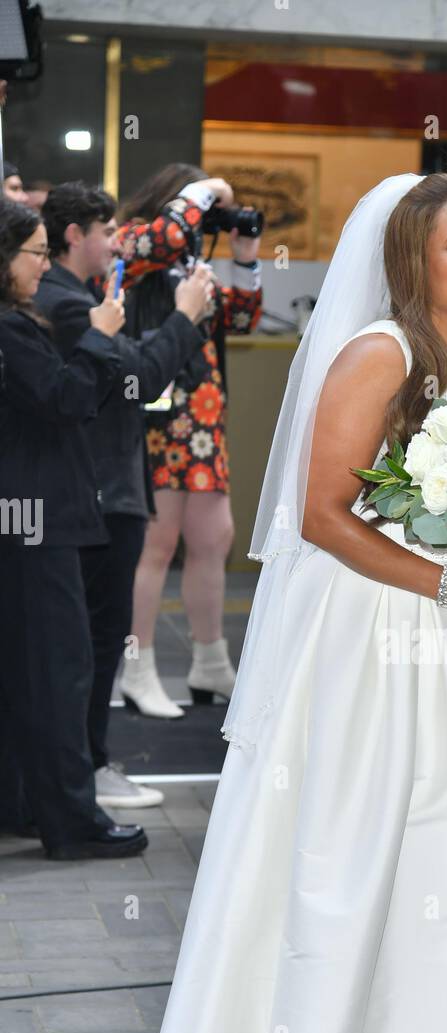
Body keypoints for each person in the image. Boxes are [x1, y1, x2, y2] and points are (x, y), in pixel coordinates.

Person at [126, 172, 447, 1033]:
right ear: (408, 261)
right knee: (359, 857)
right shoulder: (378, 353)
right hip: (380, 642)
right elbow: (319, 516)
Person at [35, 181, 216, 811]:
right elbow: (137, 377)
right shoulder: (65, 303)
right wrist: (185, 317)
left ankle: (84, 766)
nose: (115, 243)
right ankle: (84, 770)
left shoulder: (85, 295)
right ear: (72, 238)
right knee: (91, 642)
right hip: (97, 493)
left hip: (108, 486)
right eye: (105, 232)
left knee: (92, 643)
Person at [0, 200, 148, 858]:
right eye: (32, 252)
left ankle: (26, 804)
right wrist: (100, 337)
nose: (40, 263)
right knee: (59, 669)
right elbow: (65, 399)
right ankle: (71, 822)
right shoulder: (12, 327)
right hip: (37, 520)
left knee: (30, 669)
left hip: (22, 516)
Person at [101, 165, 263, 717]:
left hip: (204, 418)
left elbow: (241, 318)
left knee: (214, 537)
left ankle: (210, 662)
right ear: (176, 201)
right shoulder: (132, 241)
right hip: (155, 414)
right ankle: (138, 667)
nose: (204, 220)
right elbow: (168, 236)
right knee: (157, 543)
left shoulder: (191, 262)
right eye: (201, 209)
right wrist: (207, 189)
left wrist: (244, 254)